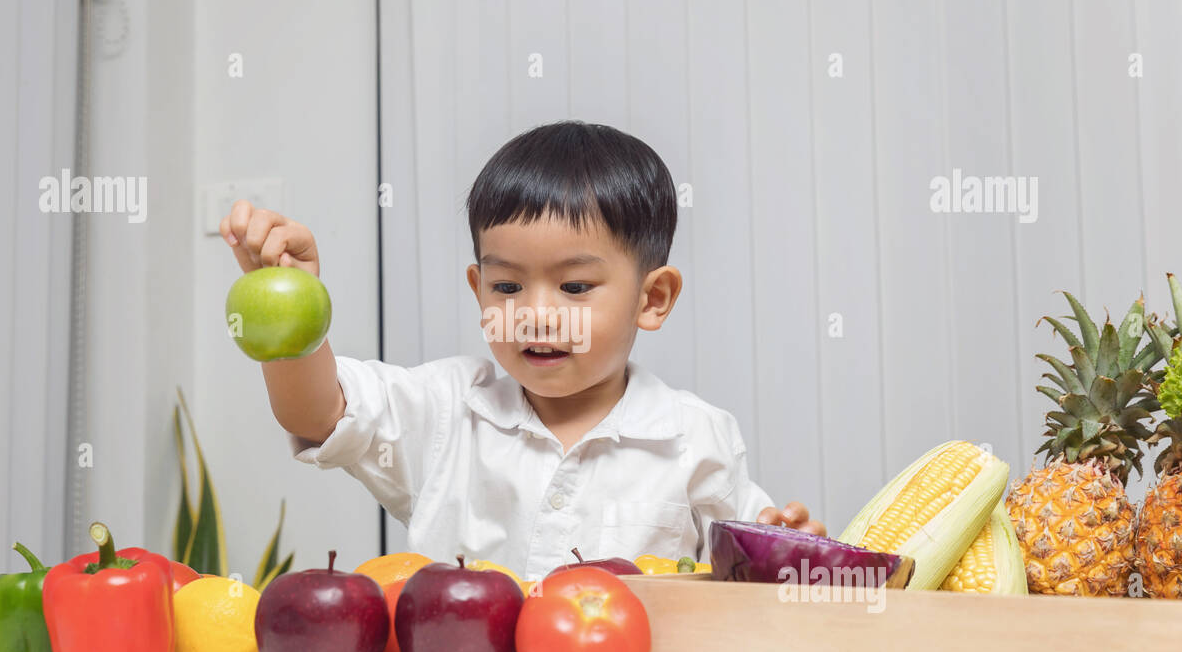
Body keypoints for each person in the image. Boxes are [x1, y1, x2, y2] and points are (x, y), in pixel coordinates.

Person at [220, 120, 824, 580]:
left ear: (653, 298)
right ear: (478, 289)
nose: (535, 315)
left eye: (575, 287)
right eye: (507, 287)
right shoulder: (445, 409)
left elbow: (748, 579)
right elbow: (315, 414)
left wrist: (786, 547)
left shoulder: (697, 439)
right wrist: (293, 302)